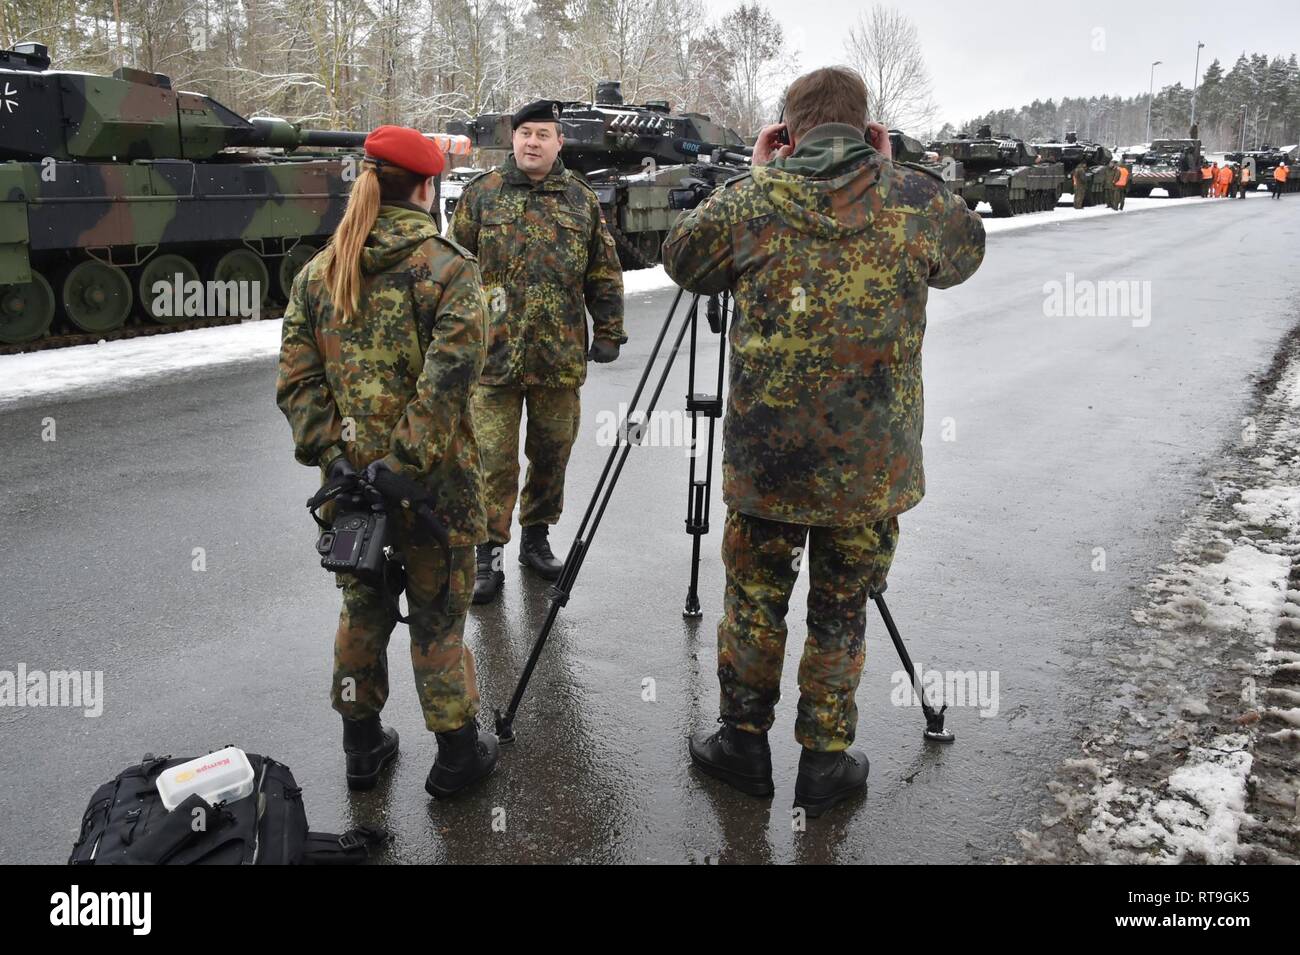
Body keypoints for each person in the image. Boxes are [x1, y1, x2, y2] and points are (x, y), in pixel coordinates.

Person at [663, 67, 985, 818]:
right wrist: (893, 166)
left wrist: (758, 170)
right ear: (868, 126)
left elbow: (683, 259)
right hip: (868, 469)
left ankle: (743, 744)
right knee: (842, 606)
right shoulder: (916, 200)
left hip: (769, 462)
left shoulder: (756, 197)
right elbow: (966, 254)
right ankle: (826, 759)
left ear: (789, 128)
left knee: (754, 599)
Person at [276, 125, 499, 798]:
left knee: (361, 612)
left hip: (351, 496)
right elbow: (450, 377)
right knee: (437, 619)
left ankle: (362, 748)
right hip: (435, 493)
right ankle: (456, 755)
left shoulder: (321, 271)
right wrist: (402, 463)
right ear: (428, 187)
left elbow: (297, 382)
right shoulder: (448, 268)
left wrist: (338, 461)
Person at [449, 100, 626, 605]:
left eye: (543, 134)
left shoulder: (580, 200)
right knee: (493, 460)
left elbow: (603, 270)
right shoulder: (480, 196)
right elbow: (450, 270)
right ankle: (488, 554)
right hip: (491, 360)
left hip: (558, 357)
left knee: (551, 453)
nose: (532, 142)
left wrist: (609, 328)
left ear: (558, 142)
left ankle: (536, 539)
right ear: (513, 139)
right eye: (525, 133)